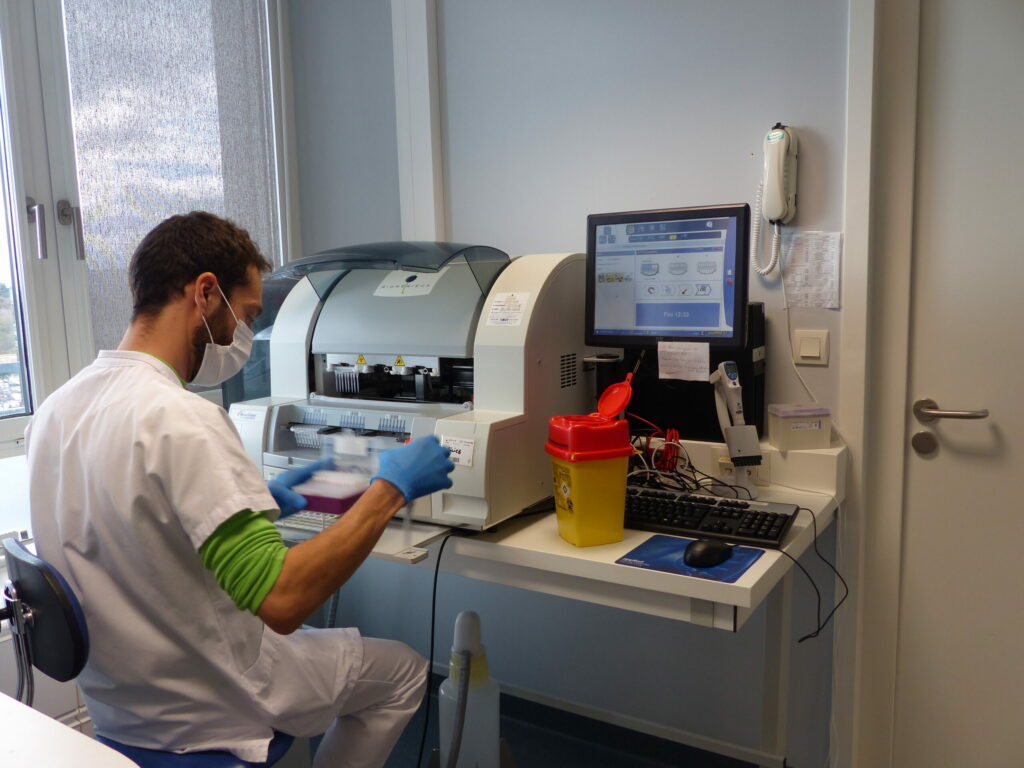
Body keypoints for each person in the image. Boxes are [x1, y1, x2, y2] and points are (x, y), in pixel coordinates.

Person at [26, 211, 455, 767]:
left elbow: (131, 530)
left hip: (125, 707)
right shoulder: (183, 419)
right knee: (403, 670)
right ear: (205, 293)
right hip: (210, 704)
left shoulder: (57, 409)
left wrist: (260, 507)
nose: (239, 336)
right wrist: (390, 489)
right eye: (245, 314)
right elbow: (282, 602)